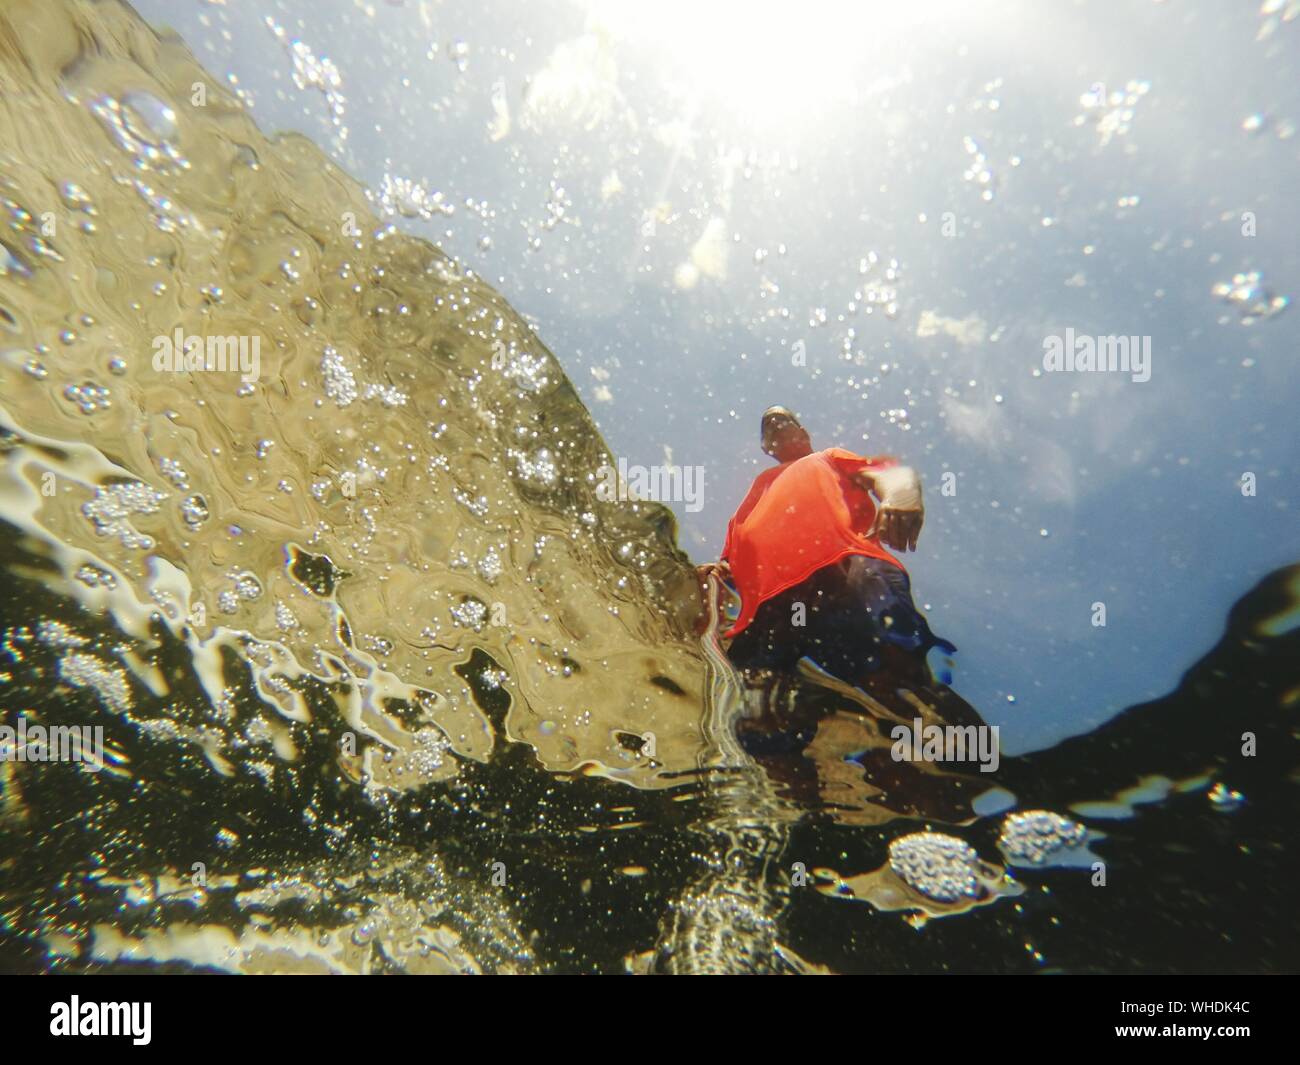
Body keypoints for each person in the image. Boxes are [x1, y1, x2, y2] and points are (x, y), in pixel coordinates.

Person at [698, 406, 962, 701]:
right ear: (766, 447)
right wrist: (718, 573)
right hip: (774, 605)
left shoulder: (827, 458)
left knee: (901, 667)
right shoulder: (755, 492)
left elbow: (887, 474)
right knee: (747, 699)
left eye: (782, 419)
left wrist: (902, 493)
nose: (775, 425)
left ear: (803, 433)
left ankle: (958, 730)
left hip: (847, 568)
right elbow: (734, 558)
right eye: (768, 426)